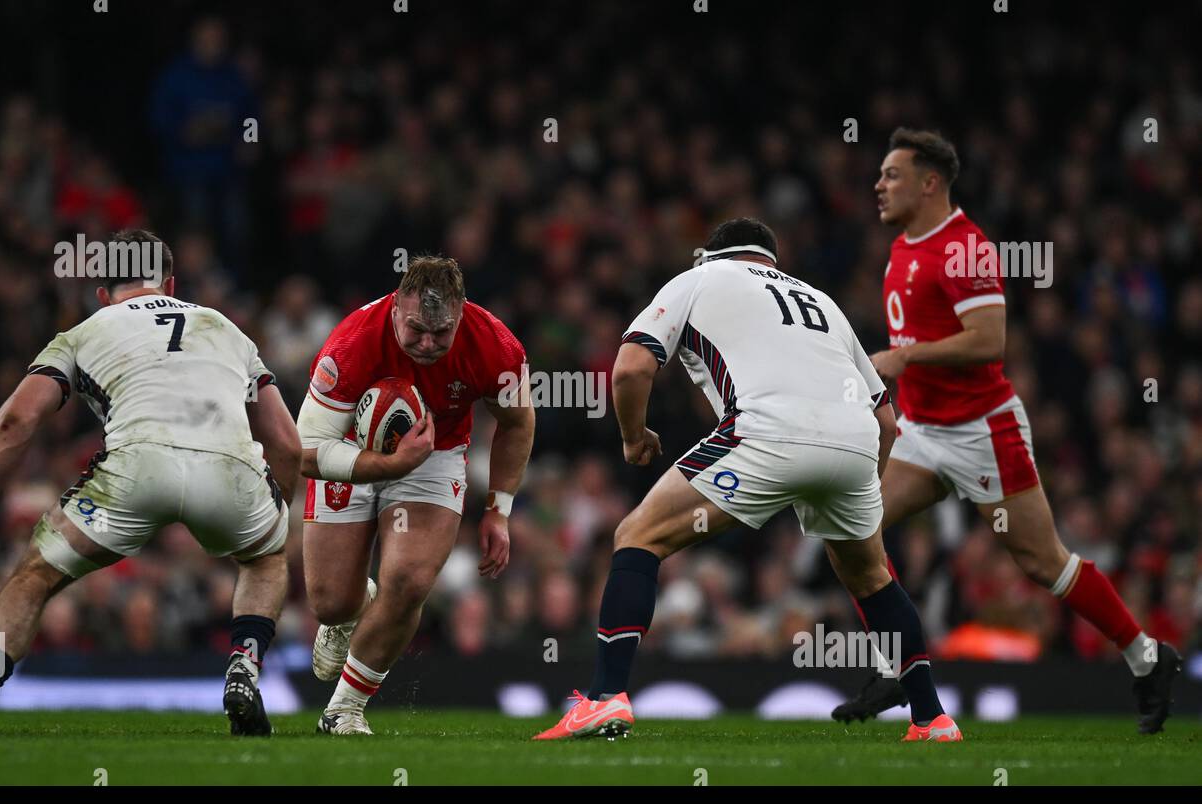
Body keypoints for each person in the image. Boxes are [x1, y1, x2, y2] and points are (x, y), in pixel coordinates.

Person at [534, 218, 962, 742]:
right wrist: (863, 489)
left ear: (710, 255)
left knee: (637, 536)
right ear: (770, 261)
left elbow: (629, 369)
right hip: (855, 442)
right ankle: (932, 719)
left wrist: (632, 436)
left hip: (768, 431)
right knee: (872, 576)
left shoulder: (699, 279)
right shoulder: (823, 303)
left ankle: (605, 698)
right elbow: (887, 421)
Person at [832, 129, 1180, 733]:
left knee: (1045, 563)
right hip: (923, 433)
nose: (878, 185)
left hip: (981, 431)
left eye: (892, 174)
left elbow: (990, 342)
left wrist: (906, 358)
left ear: (929, 182)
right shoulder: (903, 247)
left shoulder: (966, 248)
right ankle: (896, 665)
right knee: (852, 527)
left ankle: (1147, 658)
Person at [0, 230, 300, 737]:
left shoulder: (84, 332)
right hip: (230, 470)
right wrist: (272, 514)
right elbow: (287, 444)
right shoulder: (227, 329)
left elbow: (17, 421)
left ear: (101, 292)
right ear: (171, 283)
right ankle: (243, 666)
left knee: (33, 576)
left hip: (136, 470)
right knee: (265, 559)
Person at [297, 254, 534, 734]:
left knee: (408, 581)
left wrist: (498, 510)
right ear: (395, 309)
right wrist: (390, 463)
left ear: (462, 314)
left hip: (436, 453)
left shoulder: (496, 346)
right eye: (416, 330)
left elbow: (518, 421)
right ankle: (355, 607)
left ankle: (344, 709)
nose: (427, 344)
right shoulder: (351, 343)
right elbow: (304, 452)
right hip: (349, 449)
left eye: (441, 333)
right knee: (329, 603)